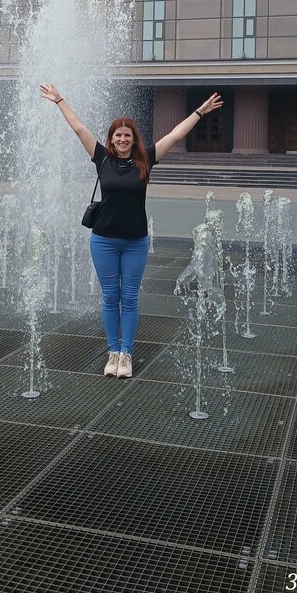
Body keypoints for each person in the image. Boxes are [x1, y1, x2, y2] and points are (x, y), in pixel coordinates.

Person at [39, 84, 223, 379]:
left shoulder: (146, 159)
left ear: (133, 138)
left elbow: (175, 135)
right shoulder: (102, 158)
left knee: (130, 298)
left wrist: (200, 112)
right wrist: (60, 100)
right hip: (103, 241)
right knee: (111, 297)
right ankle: (113, 352)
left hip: (135, 242)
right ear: (112, 139)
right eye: (118, 135)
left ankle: (126, 354)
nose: (123, 139)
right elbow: (78, 129)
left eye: (128, 135)